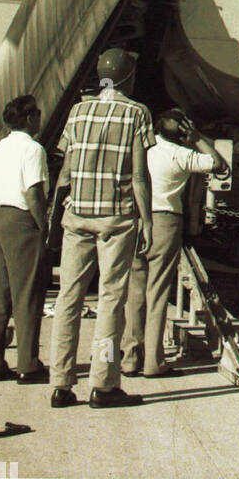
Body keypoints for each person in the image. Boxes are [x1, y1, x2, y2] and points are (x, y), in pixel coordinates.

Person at [49, 47, 155, 410]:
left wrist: (57, 210)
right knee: (111, 300)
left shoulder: (78, 111)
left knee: (68, 298)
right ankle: (103, 385)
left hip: (76, 216)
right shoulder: (137, 113)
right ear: (128, 77)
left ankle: (61, 386)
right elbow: (140, 175)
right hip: (116, 218)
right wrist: (148, 222)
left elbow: (66, 169)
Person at [123, 111, 228, 378]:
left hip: (135, 218)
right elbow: (219, 164)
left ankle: (130, 358)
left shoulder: (142, 149)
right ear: (182, 133)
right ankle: (154, 363)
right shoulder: (181, 154)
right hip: (165, 221)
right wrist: (198, 139)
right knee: (157, 293)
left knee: (135, 291)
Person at [0, 94, 50, 383]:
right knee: (26, 294)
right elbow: (33, 193)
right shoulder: (33, 149)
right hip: (22, 221)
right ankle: (28, 365)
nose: (40, 117)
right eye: (37, 113)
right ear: (29, 118)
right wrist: (44, 227)